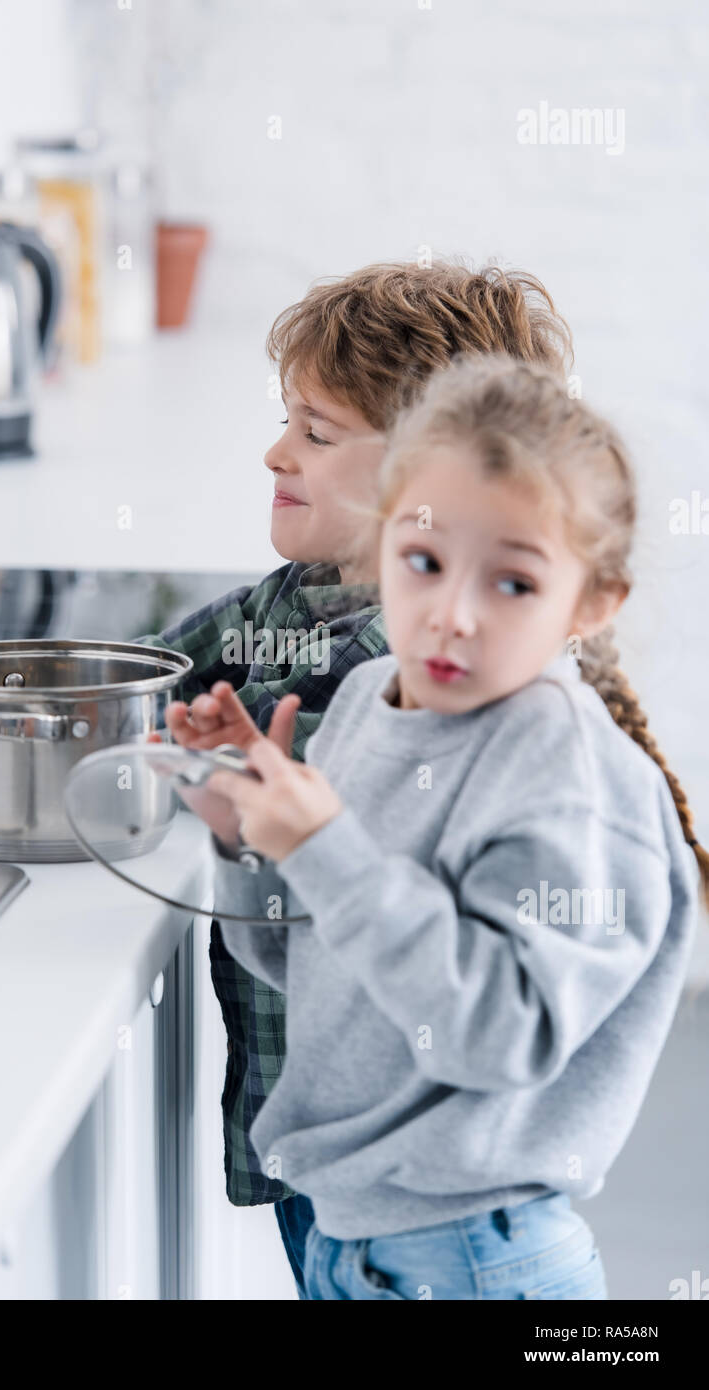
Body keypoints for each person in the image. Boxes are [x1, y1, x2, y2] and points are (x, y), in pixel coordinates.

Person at [0, 261, 574, 1297]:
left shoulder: (433, 677)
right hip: (334, 1166)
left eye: (315, 429)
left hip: (429, 1196)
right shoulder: (294, 603)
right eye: (285, 419)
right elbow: (127, 695)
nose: (276, 450)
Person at [183, 353, 706, 1300]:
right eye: (423, 563)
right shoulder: (371, 708)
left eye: (511, 584)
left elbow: (495, 1037)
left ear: (589, 605)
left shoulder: (562, 775)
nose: (452, 617)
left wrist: (323, 845)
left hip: (470, 1261)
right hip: (363, 1241)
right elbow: (318, 963)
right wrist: (248, 838)